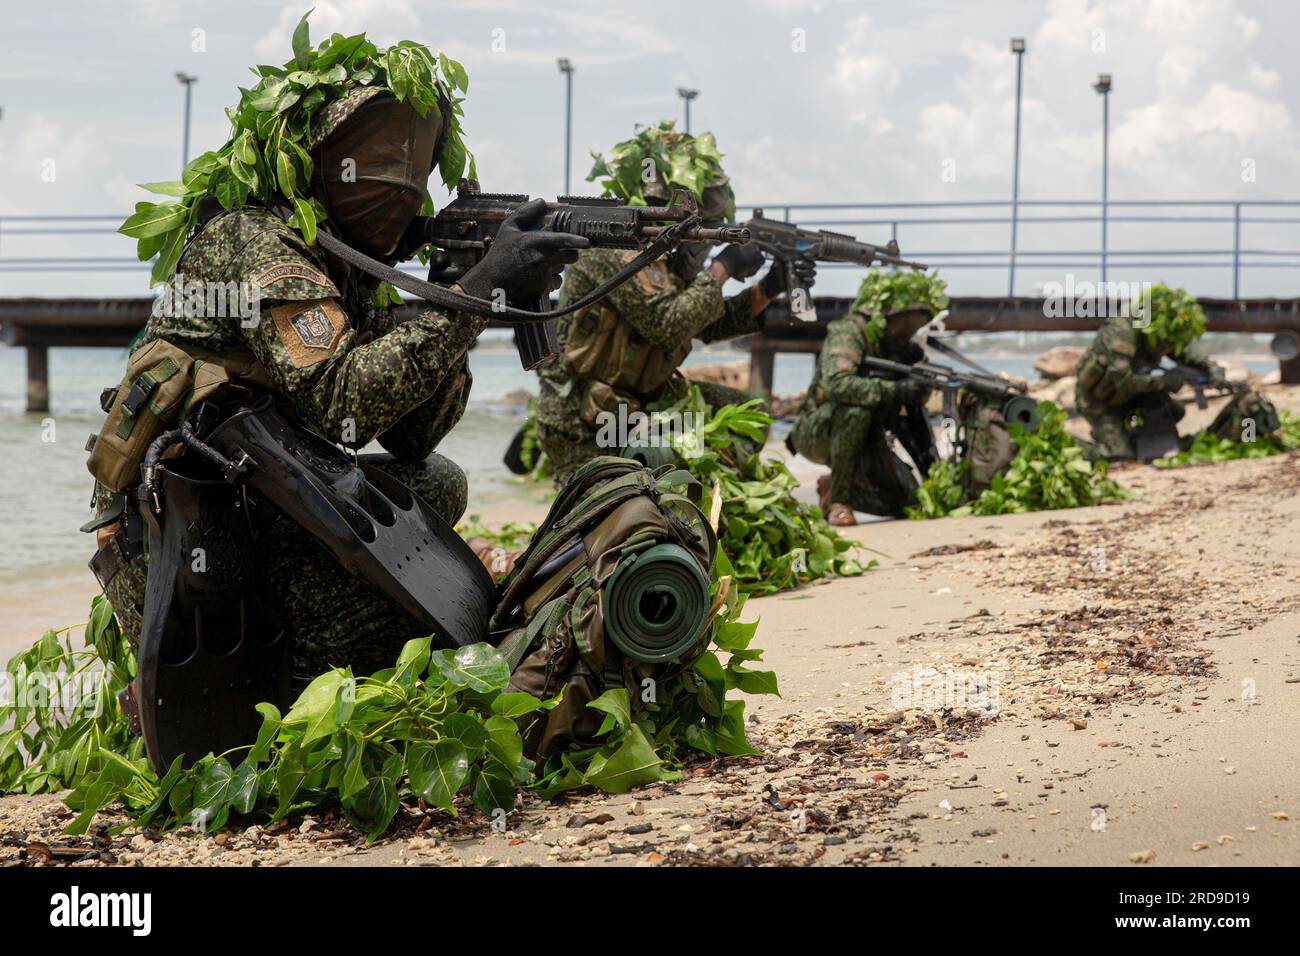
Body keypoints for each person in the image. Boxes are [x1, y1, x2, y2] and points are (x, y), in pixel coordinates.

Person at [86, 65, 585, 677]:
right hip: (180, 545)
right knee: (430, 640)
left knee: (438, 483)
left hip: (253, 500)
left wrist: (458, 294)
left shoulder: (344, 261)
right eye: (373, 158)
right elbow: (339, 404)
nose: (396, 185)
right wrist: (476, 292)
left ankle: (311, 641)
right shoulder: (256, 240)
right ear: (313, 158)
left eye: (410, 168)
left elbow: (410, 436)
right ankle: (278, 669)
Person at [534, 121, 814, 485]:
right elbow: (669, 325)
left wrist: (770, 287)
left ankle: (711, 497)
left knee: (749, 414)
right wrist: (722, 269)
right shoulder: (614, 251)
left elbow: (705, 324)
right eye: (700, 233)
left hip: (639, 405)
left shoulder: (667, 263)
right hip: (583, 419)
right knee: (619, 515)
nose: (705, 247)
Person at [788, 305, 935, 525]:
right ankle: (840, 503)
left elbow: (909, 416)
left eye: (912, 328)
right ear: (885, 318)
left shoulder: (899, 349)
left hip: (867, 437)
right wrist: (895, 389)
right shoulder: (850, 332)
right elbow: (838, 385)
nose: (906, 333)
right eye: (903, 326)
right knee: (856, 410)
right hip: (818, 429)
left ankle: (833, 488)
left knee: (911, 503)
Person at [1075, 288, 1227, 460]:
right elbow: (1122, 381)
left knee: (1175, 410)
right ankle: (1074, 447)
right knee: (1119, 455)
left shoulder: (1157, 332)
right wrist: (1164, 382)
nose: (1167, 345)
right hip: (1100, 402)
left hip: (1132, 398)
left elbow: (1184, 354)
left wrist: (1212, 369)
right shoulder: (1122, 330)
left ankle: (1133, 439)